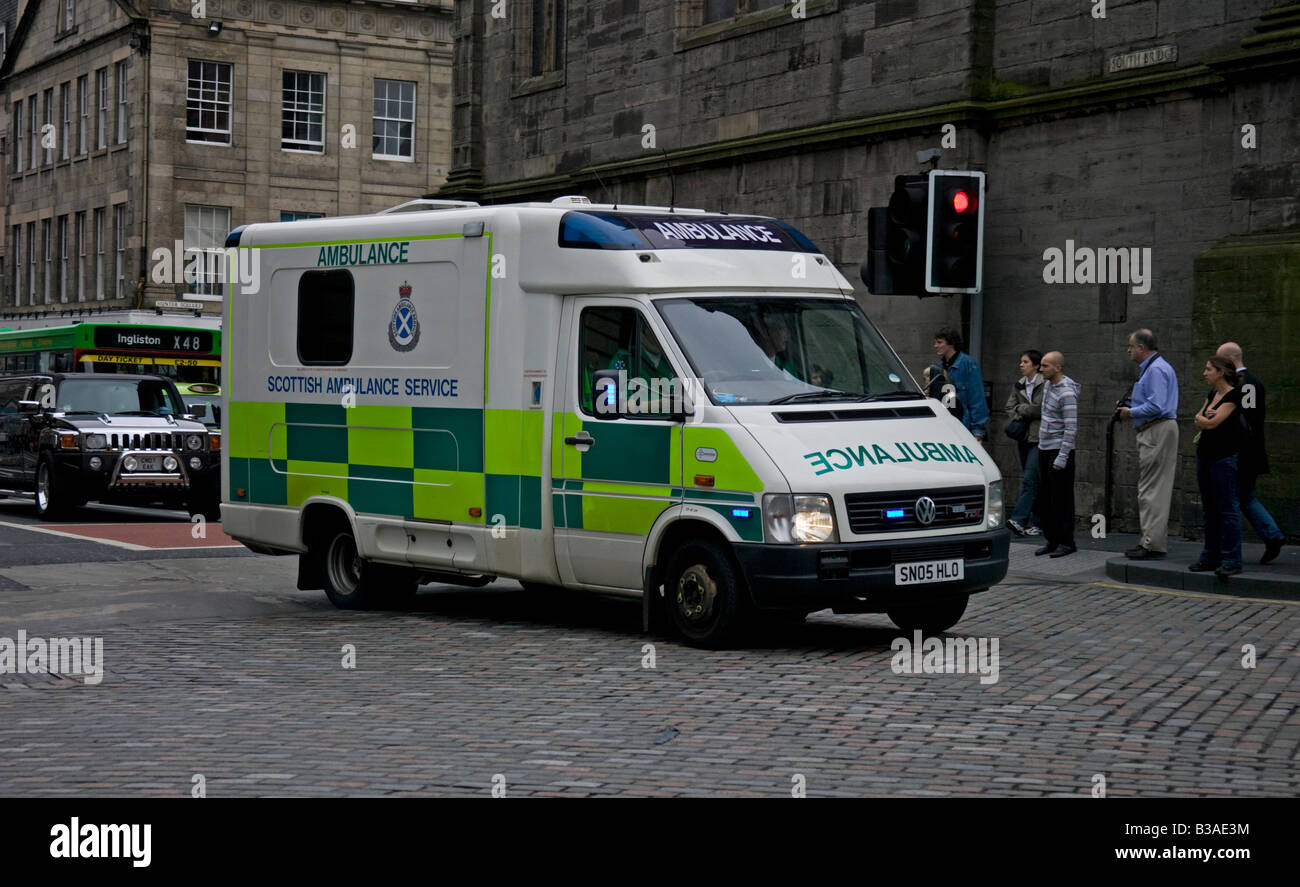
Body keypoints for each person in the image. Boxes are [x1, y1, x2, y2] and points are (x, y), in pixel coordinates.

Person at [1216, 342, 1284, 564]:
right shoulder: (1249, 383)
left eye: (1221, 361)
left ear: (1231, 359)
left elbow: (1245, 418)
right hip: (1249, 451)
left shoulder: (1245, 385)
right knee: (1245, 497)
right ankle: (1272, 535)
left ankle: (1231, 549)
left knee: (1234, 500)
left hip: (1243, 452)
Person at [1117, 329, 1179, 559]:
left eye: (1131, 346)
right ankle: (1151, 541)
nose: (1128, 350)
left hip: (1156, 429)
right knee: (1153, 488)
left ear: (1142, 348)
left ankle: (1150, 544)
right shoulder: (1158, 368)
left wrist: (1129, 412)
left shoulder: (1154, 370)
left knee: (1151, 490)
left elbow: (1156, 406)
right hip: (1158, 429)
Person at [1190, 355, 1245, 579]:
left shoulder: (1233, 395)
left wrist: (1206, 419)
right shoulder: (1212, 394)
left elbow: (1211, 422)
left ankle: (1231, 558)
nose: (1204, 373)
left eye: (1208, 369)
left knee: (1227, 509)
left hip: (1223, 458)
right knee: (1209, 509)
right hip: (1205, 456)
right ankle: (1210, 555)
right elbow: (1198, 418)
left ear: (1220, 372)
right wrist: (1205, 419)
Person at [1033, 352, 1079, 558]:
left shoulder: (1067, 393)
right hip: (1044, 448)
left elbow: (1071, 428)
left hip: (1059, 450)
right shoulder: (1049, 385)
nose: (1041, 369)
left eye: (1045, 366)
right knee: (1046, 498)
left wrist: (1062, 457)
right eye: (1041, 366)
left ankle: (1067, 542)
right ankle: (1052, 540)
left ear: (1058, 367)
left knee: (1062, 499)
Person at [1004, 349, 1044, 536]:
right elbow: (1009, 407)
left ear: (1036, 366)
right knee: (1033, 481)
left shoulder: (1044, 384)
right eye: (1021, 361)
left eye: (1025, 362)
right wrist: (1022, 410)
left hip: (1039, 437)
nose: (1021, 365)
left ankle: (1018, 520)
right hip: (1023, 437)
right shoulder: (1019, 385)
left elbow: (1040, 408)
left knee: (1030, 479)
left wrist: (1021, 409)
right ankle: (1038, 523)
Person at [932, 329, 989, 441]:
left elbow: (977, 398)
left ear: (950, 343)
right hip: (946, 426)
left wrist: (978, 430)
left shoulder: (968, 364)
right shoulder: (939, 367)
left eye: (939, 342)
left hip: (965, 425)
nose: (936, 346)